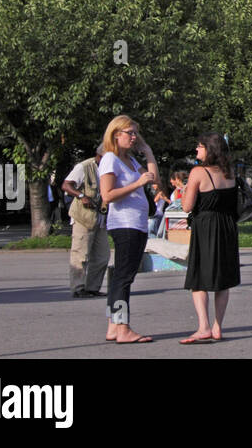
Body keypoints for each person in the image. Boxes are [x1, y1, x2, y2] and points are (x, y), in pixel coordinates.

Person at [98, 114, 158, 343]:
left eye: (135, 133)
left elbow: (154, 180)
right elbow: (107, 195)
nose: (134, 137)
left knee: (122, 277)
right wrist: (137, 184)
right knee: (124, 277)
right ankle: (122, 327)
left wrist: (148, 152)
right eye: (129, 133)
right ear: (116, 134)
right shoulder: (110, 159)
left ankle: (113, 325)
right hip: (125, 224)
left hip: (137, 223)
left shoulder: (131, 161)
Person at [181, 134, 241, 342]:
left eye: (199, 147)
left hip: (206, 226)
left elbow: (187, 206)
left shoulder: (198, 172)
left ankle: (203, 326)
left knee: (200, 277)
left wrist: (183, 192)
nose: (197, 150)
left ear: (210, 149)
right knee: (222, 279)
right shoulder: (230, 172)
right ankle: (218, 327)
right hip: (227, 226)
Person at [63, 147, 108, 298]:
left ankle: (92, 288)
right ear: (99, 155)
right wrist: (81, 195)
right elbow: (66, 185)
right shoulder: (84, 167)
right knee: (81, 255)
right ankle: (78, 288)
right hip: (83, 217)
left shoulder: (109, 169)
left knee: (103, 256)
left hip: (100, 219)